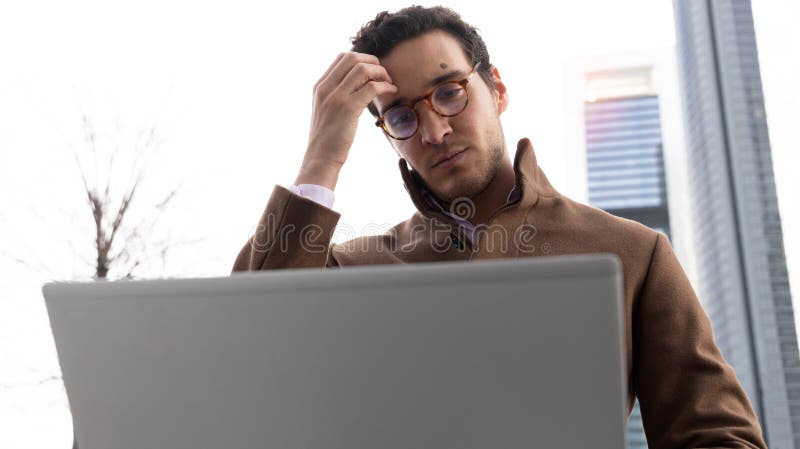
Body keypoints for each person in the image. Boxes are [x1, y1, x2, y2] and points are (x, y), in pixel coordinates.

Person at [232, 5, 767, 449]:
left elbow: (718, 435)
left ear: (498, 90)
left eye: (449, 92)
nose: (436, 131)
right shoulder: (352, 267)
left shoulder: (633, 252)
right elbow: (246, 349)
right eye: (401, 117)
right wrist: (322, 155)